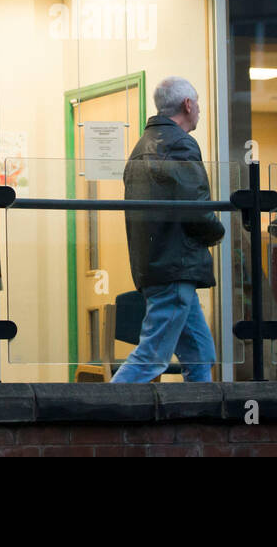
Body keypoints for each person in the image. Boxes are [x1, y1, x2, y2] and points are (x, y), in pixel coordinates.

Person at [111, 76, 224, 383]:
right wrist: (217, 231)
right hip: (176, 264)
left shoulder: (141, 146)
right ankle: (98, 413)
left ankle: (200, 421)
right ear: (188, 105)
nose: (199, 108)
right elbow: (194, 207)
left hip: (157, 264)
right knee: (152, 357)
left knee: (201, 354)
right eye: (197, 101)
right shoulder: (180, 144)